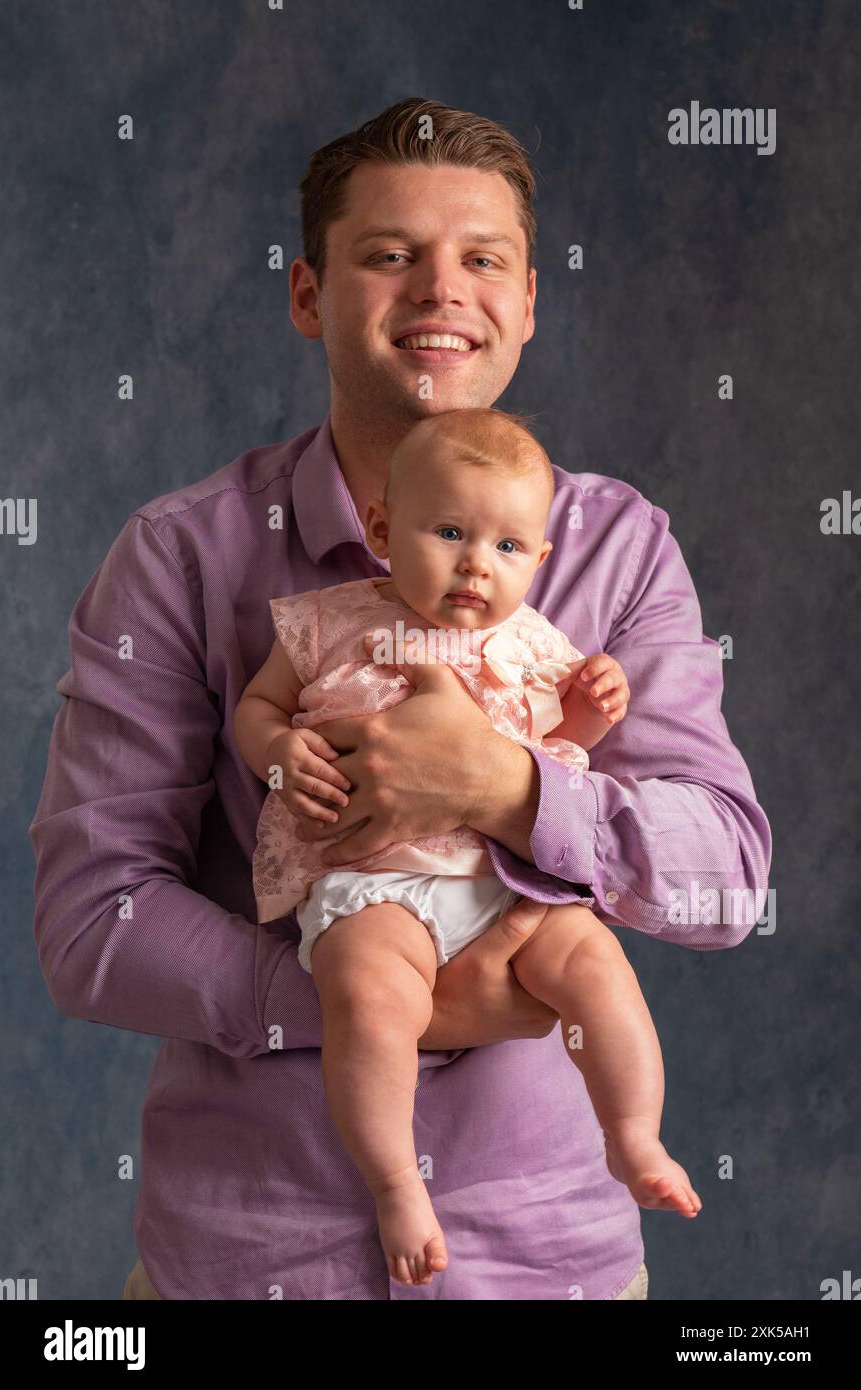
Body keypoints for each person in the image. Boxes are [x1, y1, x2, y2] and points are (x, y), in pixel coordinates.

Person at [29, 96, 771, 1301]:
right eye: (389, 256)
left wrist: (507, 786)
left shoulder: (618, 551)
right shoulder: (183, 557)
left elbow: (727, 880)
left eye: (482, 260)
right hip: (246, 1258)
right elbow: (90, 922)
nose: (441, 292)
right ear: (309, 295)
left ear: (529, 300)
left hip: (551, 1265)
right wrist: (369, 997)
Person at [234, 406, 702, 1287]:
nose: (475, 565)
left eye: (507, 548)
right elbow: (257, 709)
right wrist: (275, 749)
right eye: (448, 532)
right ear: (381, 527)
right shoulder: (327, 623)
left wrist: (595, 707)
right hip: (368, 880)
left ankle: (632, 1132)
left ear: (540, 561)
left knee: (597, 968)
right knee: (370, 999)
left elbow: (561, 741)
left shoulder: (533, 646)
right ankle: (395, 1185)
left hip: (500, 879)